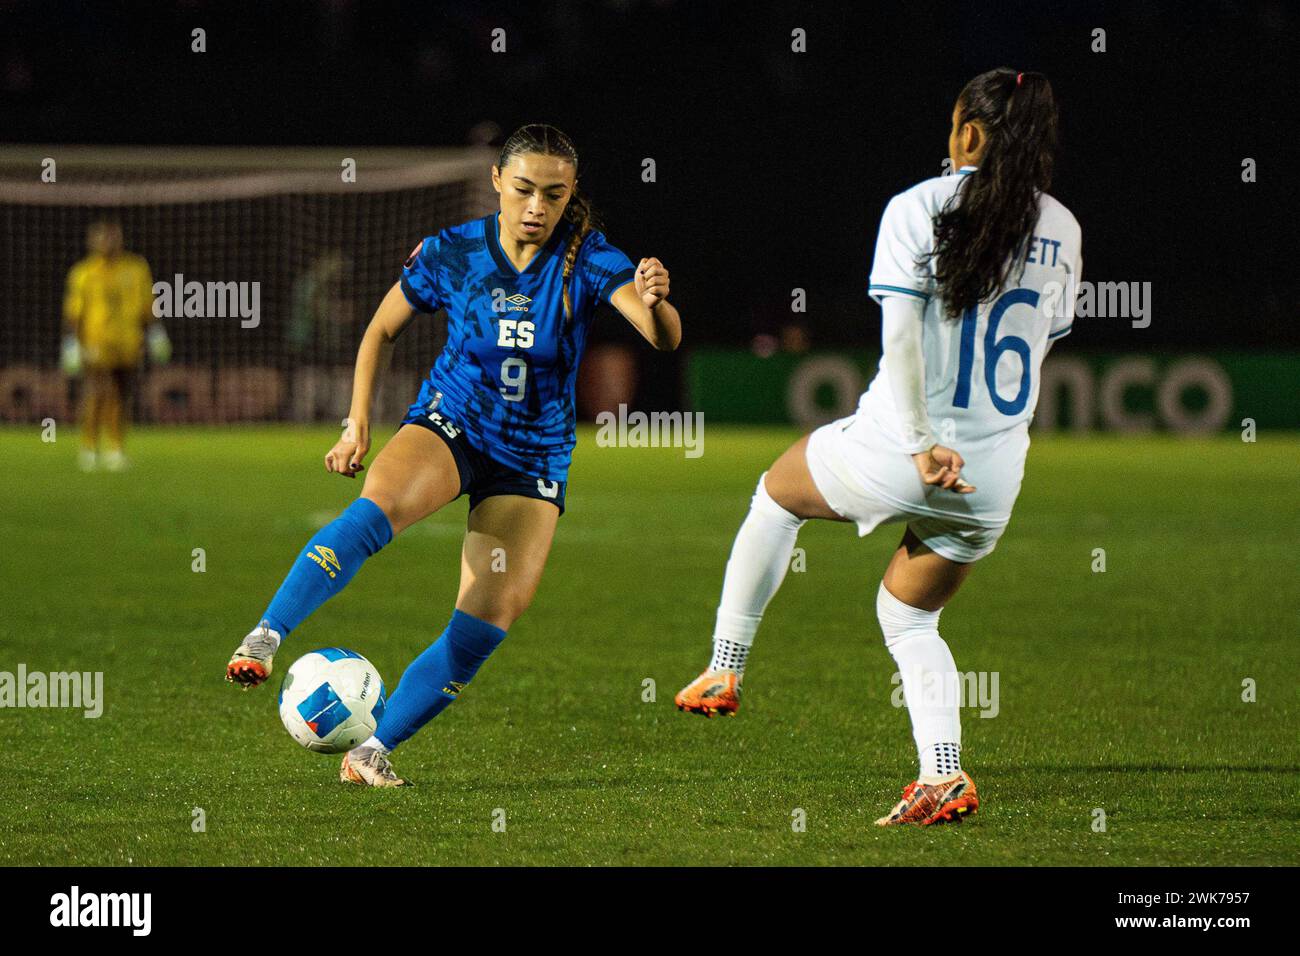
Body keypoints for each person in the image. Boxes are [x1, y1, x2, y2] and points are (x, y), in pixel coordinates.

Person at [675, 69, 1080, 827]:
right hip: (993, 475)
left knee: (774, 493)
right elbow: (1040, 343)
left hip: (903, 448)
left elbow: (900, 338)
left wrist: (925, 444)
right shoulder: (1063, 225)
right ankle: (943, 775)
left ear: (967, 134)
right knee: (910, 617)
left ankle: (723, 670)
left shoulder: (917, 207)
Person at [226, 124, 682, 787]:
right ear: (497, 181)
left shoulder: (590, 260)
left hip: (532, 458)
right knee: (377, 509)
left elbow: (659, 336)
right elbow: (381, 329)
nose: (536, 208)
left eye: (553, 195)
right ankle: (267, 635)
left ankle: (370, 752)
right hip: (452, 423)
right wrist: (356, 426)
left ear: (570, 195)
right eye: (523, 190)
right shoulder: (453, 252)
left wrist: (658, 303)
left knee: (487, 622)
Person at [61, 220, 170, 471]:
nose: (108, 242)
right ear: (92, 242)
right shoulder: (83, 272)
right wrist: (70, 344)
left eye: (113, 237)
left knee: (121, 395)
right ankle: (88, 448)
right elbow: (73, 312)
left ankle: (115, 450)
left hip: (128, 342)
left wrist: (156, 333)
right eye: (103, 238)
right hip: (96, 341)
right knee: (96, 393)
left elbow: (147, 304)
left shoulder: (136, 268)